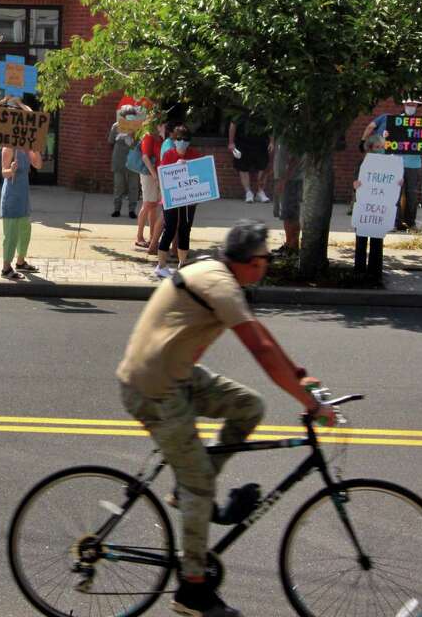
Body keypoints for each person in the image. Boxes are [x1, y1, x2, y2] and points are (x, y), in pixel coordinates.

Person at [117, 220, 336, 617]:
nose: (268, 264)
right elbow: (262, 351)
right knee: (200, 480)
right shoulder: (221, 285)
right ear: (250, 262)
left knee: (248, 406)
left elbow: (262, 336)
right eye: (266, 258)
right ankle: (192, 590)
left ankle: (188, 494)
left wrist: (300, 374)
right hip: (154, 387)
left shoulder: (220, 275)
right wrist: (310, 403)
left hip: (175, 373)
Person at [361, 97, 422, 230]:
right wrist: (386, 135)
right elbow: (383, 140)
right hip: (395, 162)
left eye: (414, 104)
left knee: (412, 194)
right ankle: (394, 222)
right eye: (409, 104)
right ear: (404, 105)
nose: (411, 106)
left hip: (414, 163)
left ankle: (410, 223)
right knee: (394, 194)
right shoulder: (394, 121)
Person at [154, 126, 203, 278]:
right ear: (174, 140)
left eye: (186, 140)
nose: (182, 142)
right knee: (169, 229)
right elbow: (163, 176)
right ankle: (161, 266)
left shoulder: (194, 154)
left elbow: (201, 174)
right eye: (179, 139)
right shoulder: (169, 154)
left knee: (185, 229)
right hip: (171, 199)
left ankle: (182, 264)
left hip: (188, 200)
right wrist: (175, 167)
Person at [0, 140, 42, 280]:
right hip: (11, 195)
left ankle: (20, 262)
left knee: (25, 231)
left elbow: (38, 165)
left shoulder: (27, 147)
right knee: (11, 234)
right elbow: (4, 173)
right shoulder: (9, 148)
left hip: (23, 196)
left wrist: (35, 150)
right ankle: (6, 268)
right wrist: (11, 170)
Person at [228, 111, 273, 203]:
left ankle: (260, 192)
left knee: (262, 167)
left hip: (261, 143)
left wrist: (272, 142)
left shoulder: (263, 111)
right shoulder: (240, 111)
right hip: (242, 143)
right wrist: (231, 142)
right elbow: (233, 125)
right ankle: (248, 192)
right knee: (243, 168)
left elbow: (270, 126)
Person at [136, 122, 166, 252]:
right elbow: (145, 157)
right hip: (149, 174)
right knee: (148, 204)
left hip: (158, 174)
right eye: (162, 124)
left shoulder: (162, 138)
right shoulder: (148, 136)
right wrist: (154, 175)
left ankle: (152, 237)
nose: (164, 126)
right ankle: (139, 236)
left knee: (153, 206)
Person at [272, 139, 304, 254]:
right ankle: (288, 244)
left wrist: (284, 179)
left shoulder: (292, 134)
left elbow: (295, 159)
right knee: (285, 215)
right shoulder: (280, 134)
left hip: (292, 180)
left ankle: (293, 247)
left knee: (291, 215)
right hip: (281, 179)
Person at [109, 106, 141, 218]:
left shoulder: (138, 127)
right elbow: (110, 142)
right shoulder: (116, 126)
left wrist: (132, 138)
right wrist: (119, 137)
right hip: (119, 160)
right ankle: (116, 209)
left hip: (133, 161)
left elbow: (140, 145)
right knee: (119, 186)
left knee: (133, 187)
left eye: (132, 116)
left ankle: (132, 210)